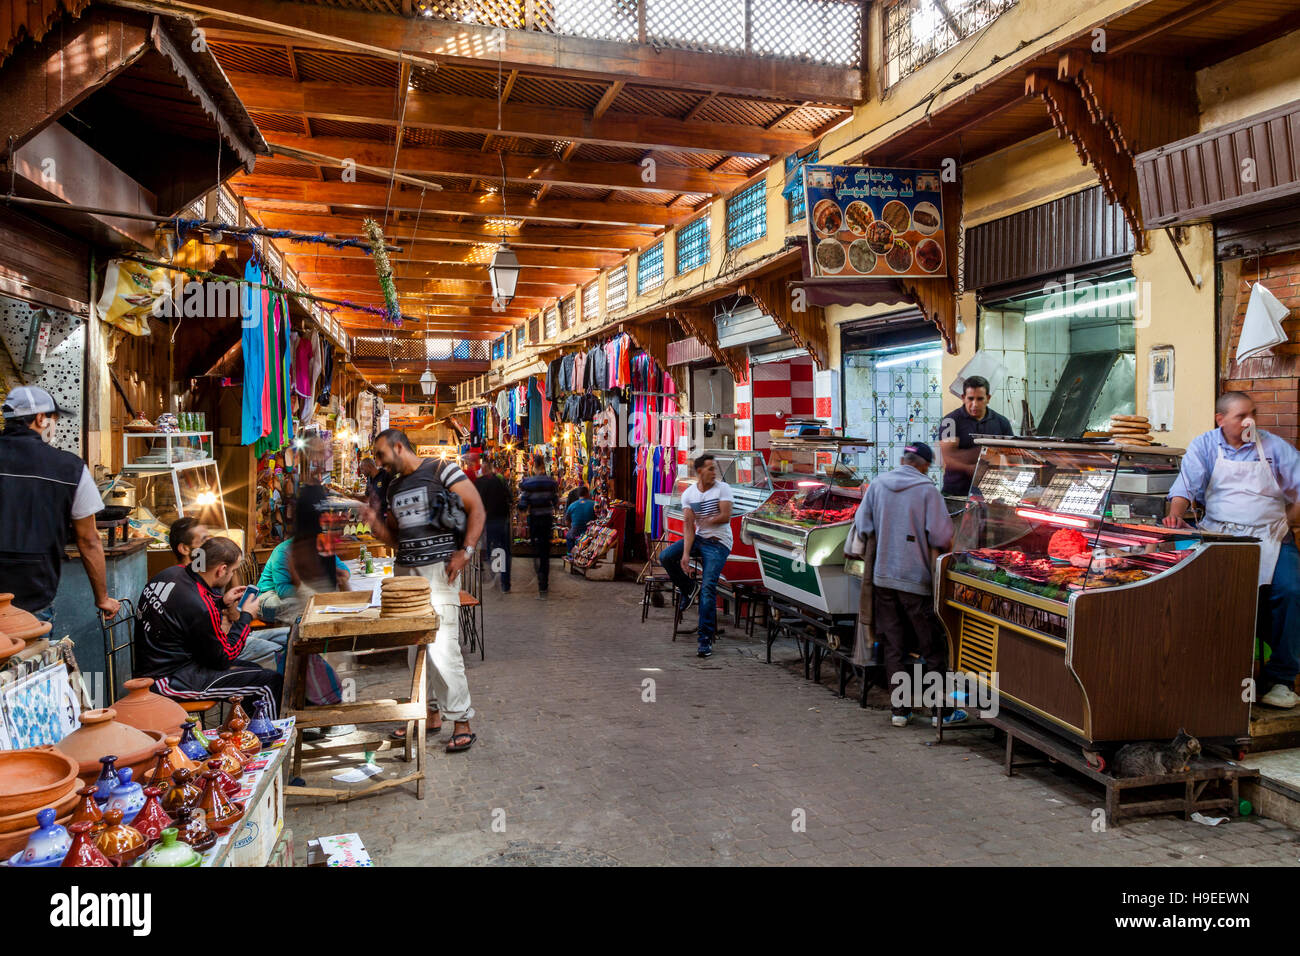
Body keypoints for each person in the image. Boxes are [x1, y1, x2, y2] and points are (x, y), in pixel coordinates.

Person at [1164, 391, 1300, 709]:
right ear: (1221, 420)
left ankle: (1281, 680)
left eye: (1253, 413)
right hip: (1219, 534)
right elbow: (1186, 486)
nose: (1250, 420)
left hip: (1271, 536)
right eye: (1241, 416)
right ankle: (1215, 673)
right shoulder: (1205, 445)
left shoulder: (1274, 447)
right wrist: (1176, 513)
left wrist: (1287, 523)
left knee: (1291, 591)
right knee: (1208, 593)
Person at [365, 429, 485, 754]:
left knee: (444, 649)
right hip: (407, 572)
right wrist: (376, 526)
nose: (378, 461)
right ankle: (427, 714)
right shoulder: (392, 485)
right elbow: (395, 539)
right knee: (415, 648)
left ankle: (461, 721)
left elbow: (477, 508)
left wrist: (467, 552)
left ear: (399, 446)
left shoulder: (440, 470)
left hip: (439, 570)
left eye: (380, 454)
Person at [853, 443, 956, 727]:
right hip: (916, 579)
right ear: (924, 465)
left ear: (903, 460)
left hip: (883, 576)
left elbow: (862, 525)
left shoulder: (878, 484)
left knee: (893, 645)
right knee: (932, 647)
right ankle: (940, 713)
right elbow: (942, 537)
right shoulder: (927, 491)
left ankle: (900, 710)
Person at [0, 386, 120, 624]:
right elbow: (88, 539)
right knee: (31, 659)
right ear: (40, 418)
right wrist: (102, 597)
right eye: (53, 419)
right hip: (33, 595)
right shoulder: (69, 468)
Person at [135, 536, 282, 717]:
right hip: (168, 680)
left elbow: (186, 612)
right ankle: (268, 741)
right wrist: (246, 616)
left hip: (162, 664)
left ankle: (242, 735)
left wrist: (221, 601)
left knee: (255, 671)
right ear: (221, 570)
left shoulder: (171, 573)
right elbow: (224, 656)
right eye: (232, 571)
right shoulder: (200, 605)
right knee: (268, 683)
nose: (231, 576)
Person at [660, 453, 733, 659]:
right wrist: (685, 554)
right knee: (666, 557)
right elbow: (689, 526)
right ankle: (688, 587)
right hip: (700, 540)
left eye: (715, 468)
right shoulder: (689, 495)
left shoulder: (723, 489)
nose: (714, 472)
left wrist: (708, 520)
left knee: (709, 587)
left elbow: (726, 515)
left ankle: (704, 640)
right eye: (710, 468)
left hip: (718, 543)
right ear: (700, 471)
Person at [938, 375, 1014, 497]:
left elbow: (1011, 456)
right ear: (963, 398)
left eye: (980, 399)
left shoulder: (1001, 422)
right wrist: (972, 468)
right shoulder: (950, 422)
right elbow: (947, 458)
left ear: (988, 398)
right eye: (970, 399)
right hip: (956, 494)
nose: (974, 404)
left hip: (991, 494)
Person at [256, 538, 350, 626]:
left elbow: (344, 571)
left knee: (332, 598)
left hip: (301, 592)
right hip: (269, 595)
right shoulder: (283, 551)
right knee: (307, 604)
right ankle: (308, 632)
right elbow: (283, 590)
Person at [518, 455, 559, 596]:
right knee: (545, 553)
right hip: (547, 520)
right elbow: (555, 501)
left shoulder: (528, 483)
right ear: (543, 466)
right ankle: (544, 584)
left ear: (534, 466)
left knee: (536, 551)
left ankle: (540, 576)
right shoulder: (551, 483)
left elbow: (523, 504)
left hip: (535, 520)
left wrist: (521, 522)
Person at [474, 455, 513, 593]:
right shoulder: (500, 480)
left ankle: (495, 571)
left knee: (492, 550)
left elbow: (475, 503)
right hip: (502, 521)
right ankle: (505, 583)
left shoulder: (479, 483)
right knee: (504, 551)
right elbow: (510, 497)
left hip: (489, 522)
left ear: (483, 469)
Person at [565, 486, 596, 554]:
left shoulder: (572, 505)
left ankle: (571, 555)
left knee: (568, 535)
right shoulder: (594, 504)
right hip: (589, 533)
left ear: (578, 495)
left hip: (575, 533)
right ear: (587, 494)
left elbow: (567, 522)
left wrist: (571, 528)